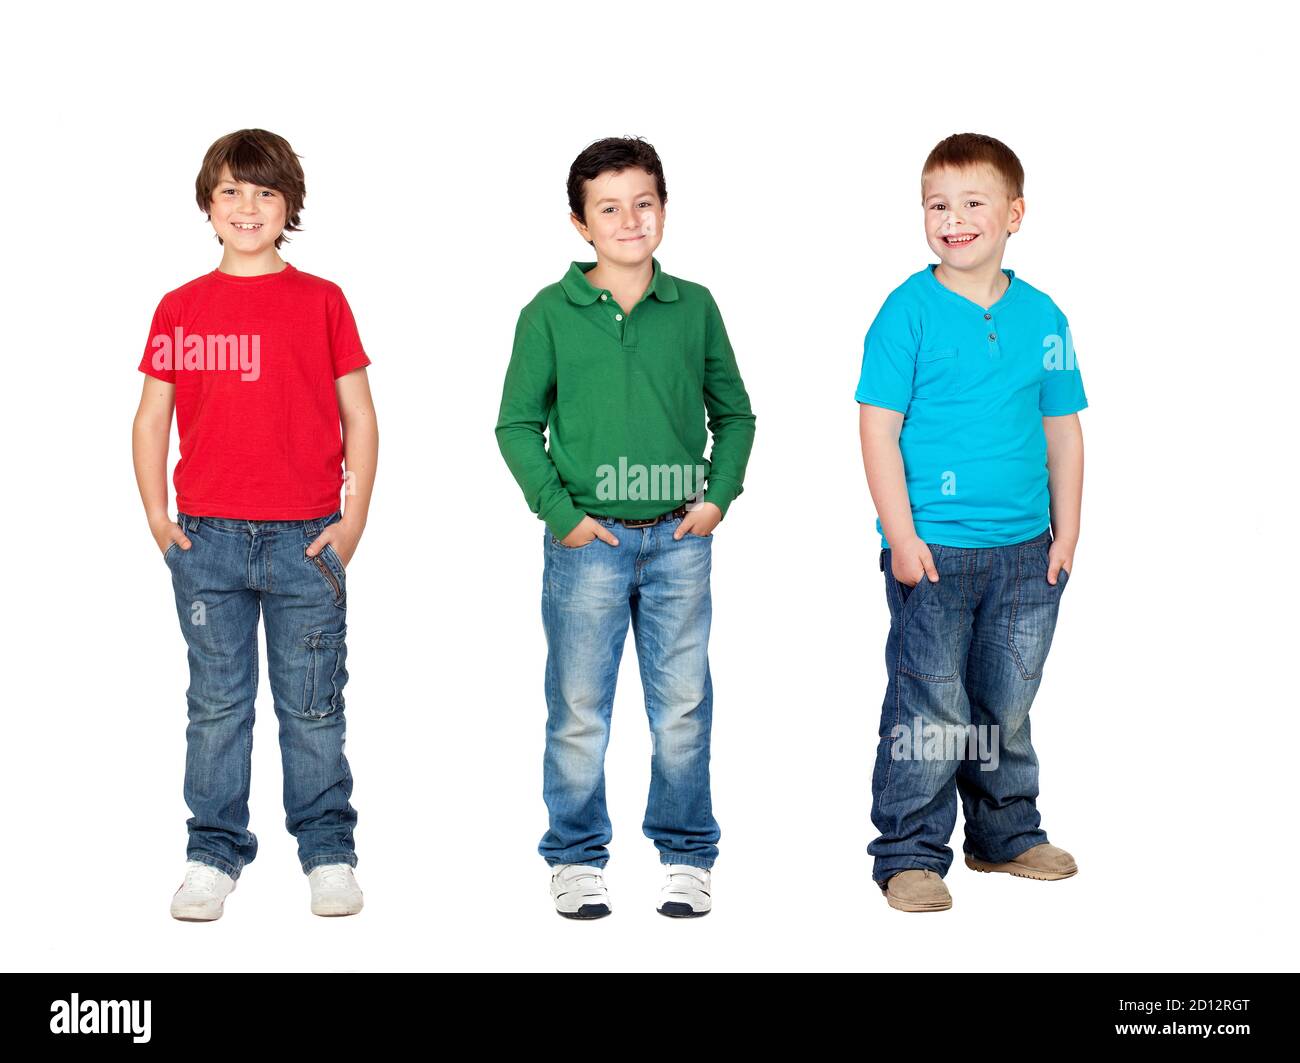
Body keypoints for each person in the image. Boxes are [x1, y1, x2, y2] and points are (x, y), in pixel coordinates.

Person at [496, 136, 756, 919]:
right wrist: (563, 515)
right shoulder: (548, 312)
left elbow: (735, 414)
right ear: (581, 223)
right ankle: (575, 857)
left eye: (644, 202)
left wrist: (716, 499)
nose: (629, 219)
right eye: (609, 207)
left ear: (665, 210)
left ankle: (687, 851)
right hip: (589, 547)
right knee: (579, 705)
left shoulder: (695, 306)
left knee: (682, 703)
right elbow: (515, 425)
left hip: (680, 539)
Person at [132, 128, 378, 920]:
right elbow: (151, 418)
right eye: (232, 190)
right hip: (206, 540)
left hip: (306, 538)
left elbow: (361, 418)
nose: (248, 206)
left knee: (312, 703)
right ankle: (213, 851)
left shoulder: (322, 301)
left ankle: (328, 851)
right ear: (208, 204)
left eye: (266, 192)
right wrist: (157, 517)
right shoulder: (180, 307)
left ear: (290, 207)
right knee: (217, 703)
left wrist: (352, 521)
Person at [856, 132, 1087, 912]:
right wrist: (902, 537)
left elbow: (1063, 429)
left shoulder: (1044, 314)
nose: (953, 219)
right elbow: (877, 429)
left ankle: (1005, 833)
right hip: (935, 555)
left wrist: (1067, 532)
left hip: (1028, 554)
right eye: (937, 205)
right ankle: (911, 851)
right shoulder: (906, 311)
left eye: (972, 203)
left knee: (1005, 700)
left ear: (1014, 213)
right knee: (931, 703)